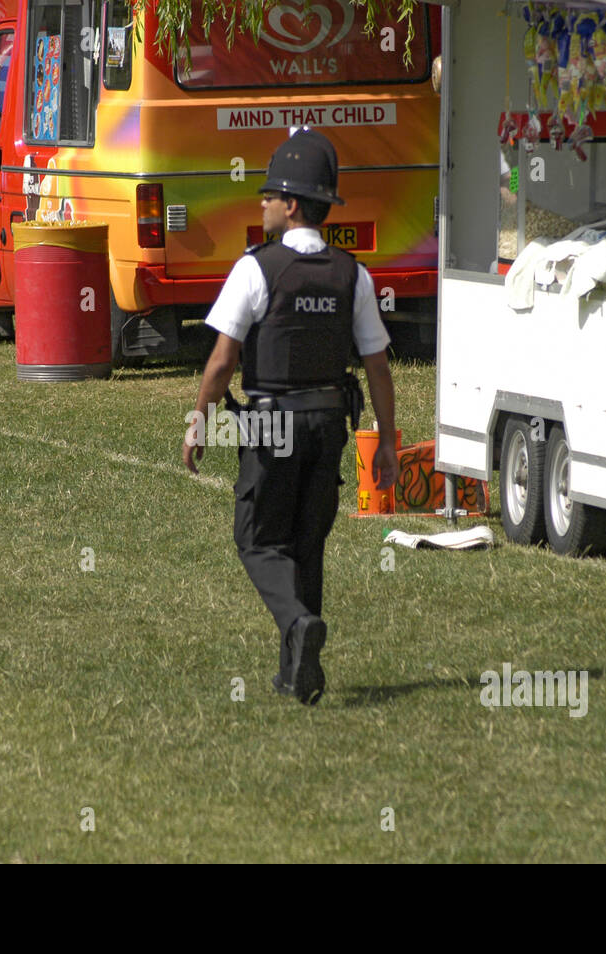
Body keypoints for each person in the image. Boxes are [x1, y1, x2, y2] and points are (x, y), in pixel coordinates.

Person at [181, 127, 398, 706]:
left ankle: (299, 628)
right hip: (330, 422)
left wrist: (199, 421)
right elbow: (378, 367)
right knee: (308, 543)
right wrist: (390, 445)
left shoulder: (256, 268)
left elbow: (222, 361)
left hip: (274, 422)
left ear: (293, 204)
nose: (263, 203)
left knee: (256, 540)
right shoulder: (353, 273)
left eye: (270, 195)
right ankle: (298, 673)